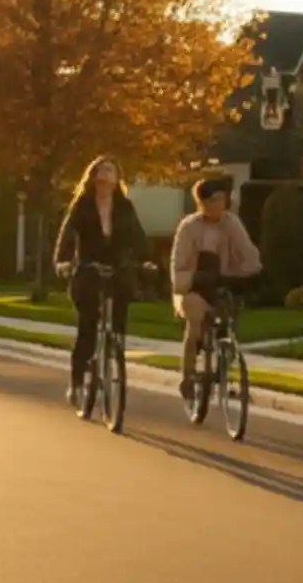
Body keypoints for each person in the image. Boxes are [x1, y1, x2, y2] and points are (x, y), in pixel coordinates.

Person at [53, 155, 150, 403]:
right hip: (88, 269)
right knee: (88, 327)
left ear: (117, 179)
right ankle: (76, 381)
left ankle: (113, 356)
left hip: (117, 268)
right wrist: (64, 262)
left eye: (111, 170)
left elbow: (137, 236)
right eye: (101, 170)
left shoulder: (125, 207)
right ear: (93, 176)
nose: (106, 175)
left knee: (118, 325)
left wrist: (147, 260)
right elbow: (68, 235)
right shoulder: (82, 206)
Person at [170, 177, 262, 400]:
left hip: (222, 283)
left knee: (229, 326)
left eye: (221, 199)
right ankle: (189, 377)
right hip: (195, 286)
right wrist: (191, 280)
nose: (218, 205)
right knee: (195, 327)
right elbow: (178, 266)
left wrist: (245, 273)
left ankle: (225, 367)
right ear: (201, 203)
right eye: (212, 201)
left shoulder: (232, 223)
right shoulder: (189, 227)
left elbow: (249, 254)